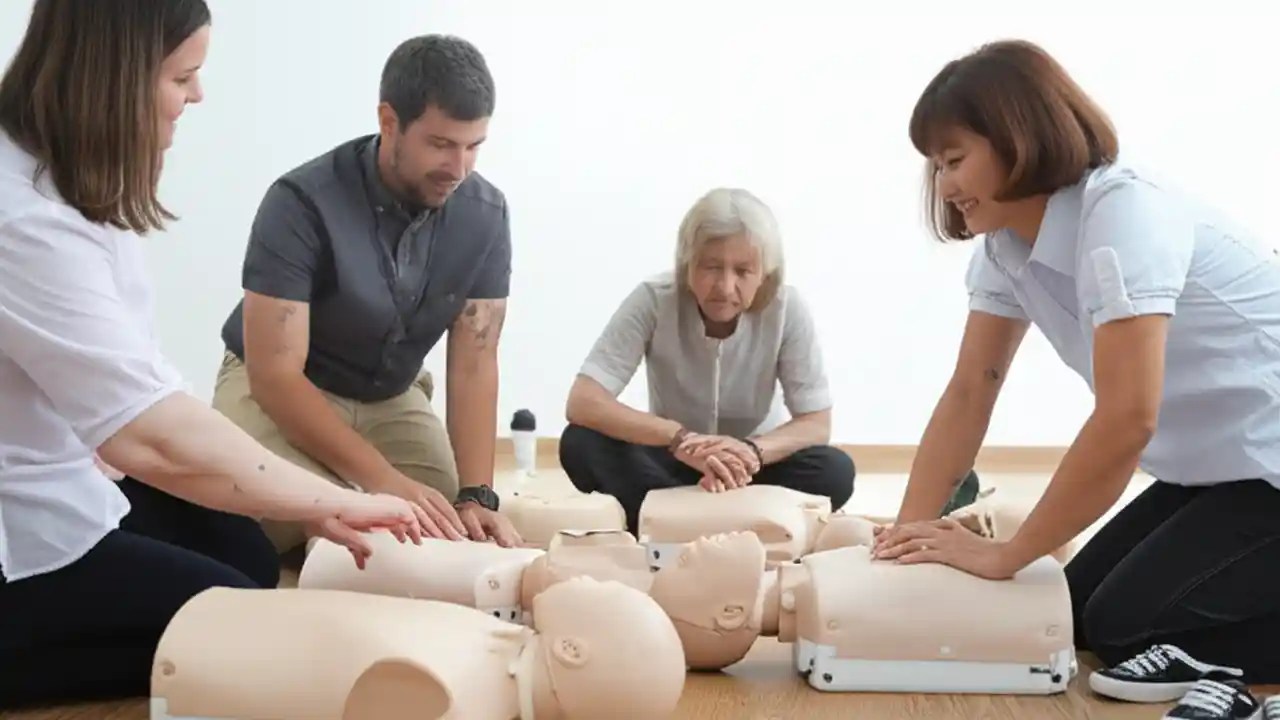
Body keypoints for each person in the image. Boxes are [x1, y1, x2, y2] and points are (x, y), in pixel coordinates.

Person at [0, 0, 427, 710]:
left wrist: (310, 502)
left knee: (247, 558)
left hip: (72, 470)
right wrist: (330, 497)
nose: (197, 95)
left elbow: (139, 387)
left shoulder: (73, 177)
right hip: (18, 520)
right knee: (237, 624)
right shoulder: (20, 218)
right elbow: (151, 434)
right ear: (116, 77)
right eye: (181, 77)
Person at [872, 38, 1280, 694]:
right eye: (936, 166)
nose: (943, 186)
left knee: (1125, 626)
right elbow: (971, 390)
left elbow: (1127, 419)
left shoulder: (1125, 213)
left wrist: (1008, 554)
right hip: (1223, 471)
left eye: (954, 160)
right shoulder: (1006, 248)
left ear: (1017, 138)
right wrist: (905, 538)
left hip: (1269, 463)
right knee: (1079, 614)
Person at [211, 33, 522, 552]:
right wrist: (383, 481)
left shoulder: (486, 213)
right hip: (282, 386)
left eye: (473, 147)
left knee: (443, 527)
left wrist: (477, 495)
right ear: (388, 121)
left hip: (389, 394)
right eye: (440, 145)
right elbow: (274, 376)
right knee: (287, 519)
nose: (459, 169)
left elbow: (475, 361)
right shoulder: (300, 202)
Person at [558, 187, 857, 534]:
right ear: (687, 264)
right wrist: (679, 439)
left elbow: (816, 423)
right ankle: (725, 520)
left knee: (835, 470)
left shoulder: (788, 308)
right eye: (712, 267)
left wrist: (751, 451)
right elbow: (583, 402)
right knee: (580, 443)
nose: (725, 287)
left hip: (752, 468)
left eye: (742, 271)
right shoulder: (653, 300)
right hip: (671, 460)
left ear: (765, 273)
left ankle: (676, 520)